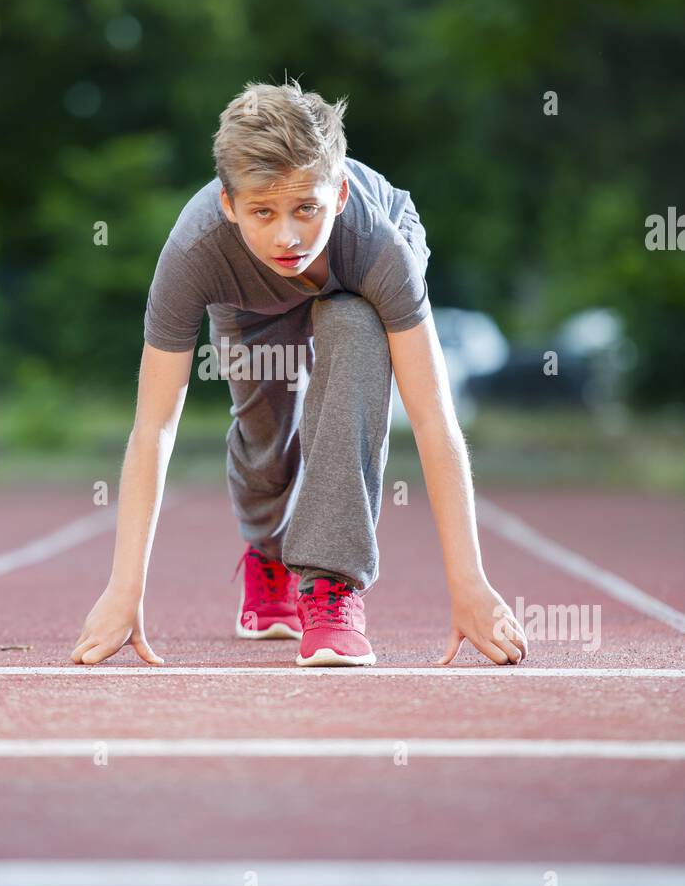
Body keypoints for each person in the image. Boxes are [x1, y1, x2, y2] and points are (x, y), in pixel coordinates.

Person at [71, 78, 528, 668]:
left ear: (338, 196)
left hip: (355, 278)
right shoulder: (194, 253)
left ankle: (331, 586)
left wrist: (469, 585)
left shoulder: (376, 245)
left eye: (305, 208)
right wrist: (123, 590)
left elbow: (434, 420)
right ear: (229, 205)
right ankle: (268, 552)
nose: (287, 237)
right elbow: (154, 427)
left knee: (354, 324)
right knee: (266, 434)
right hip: (248, 297)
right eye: (262, 211)